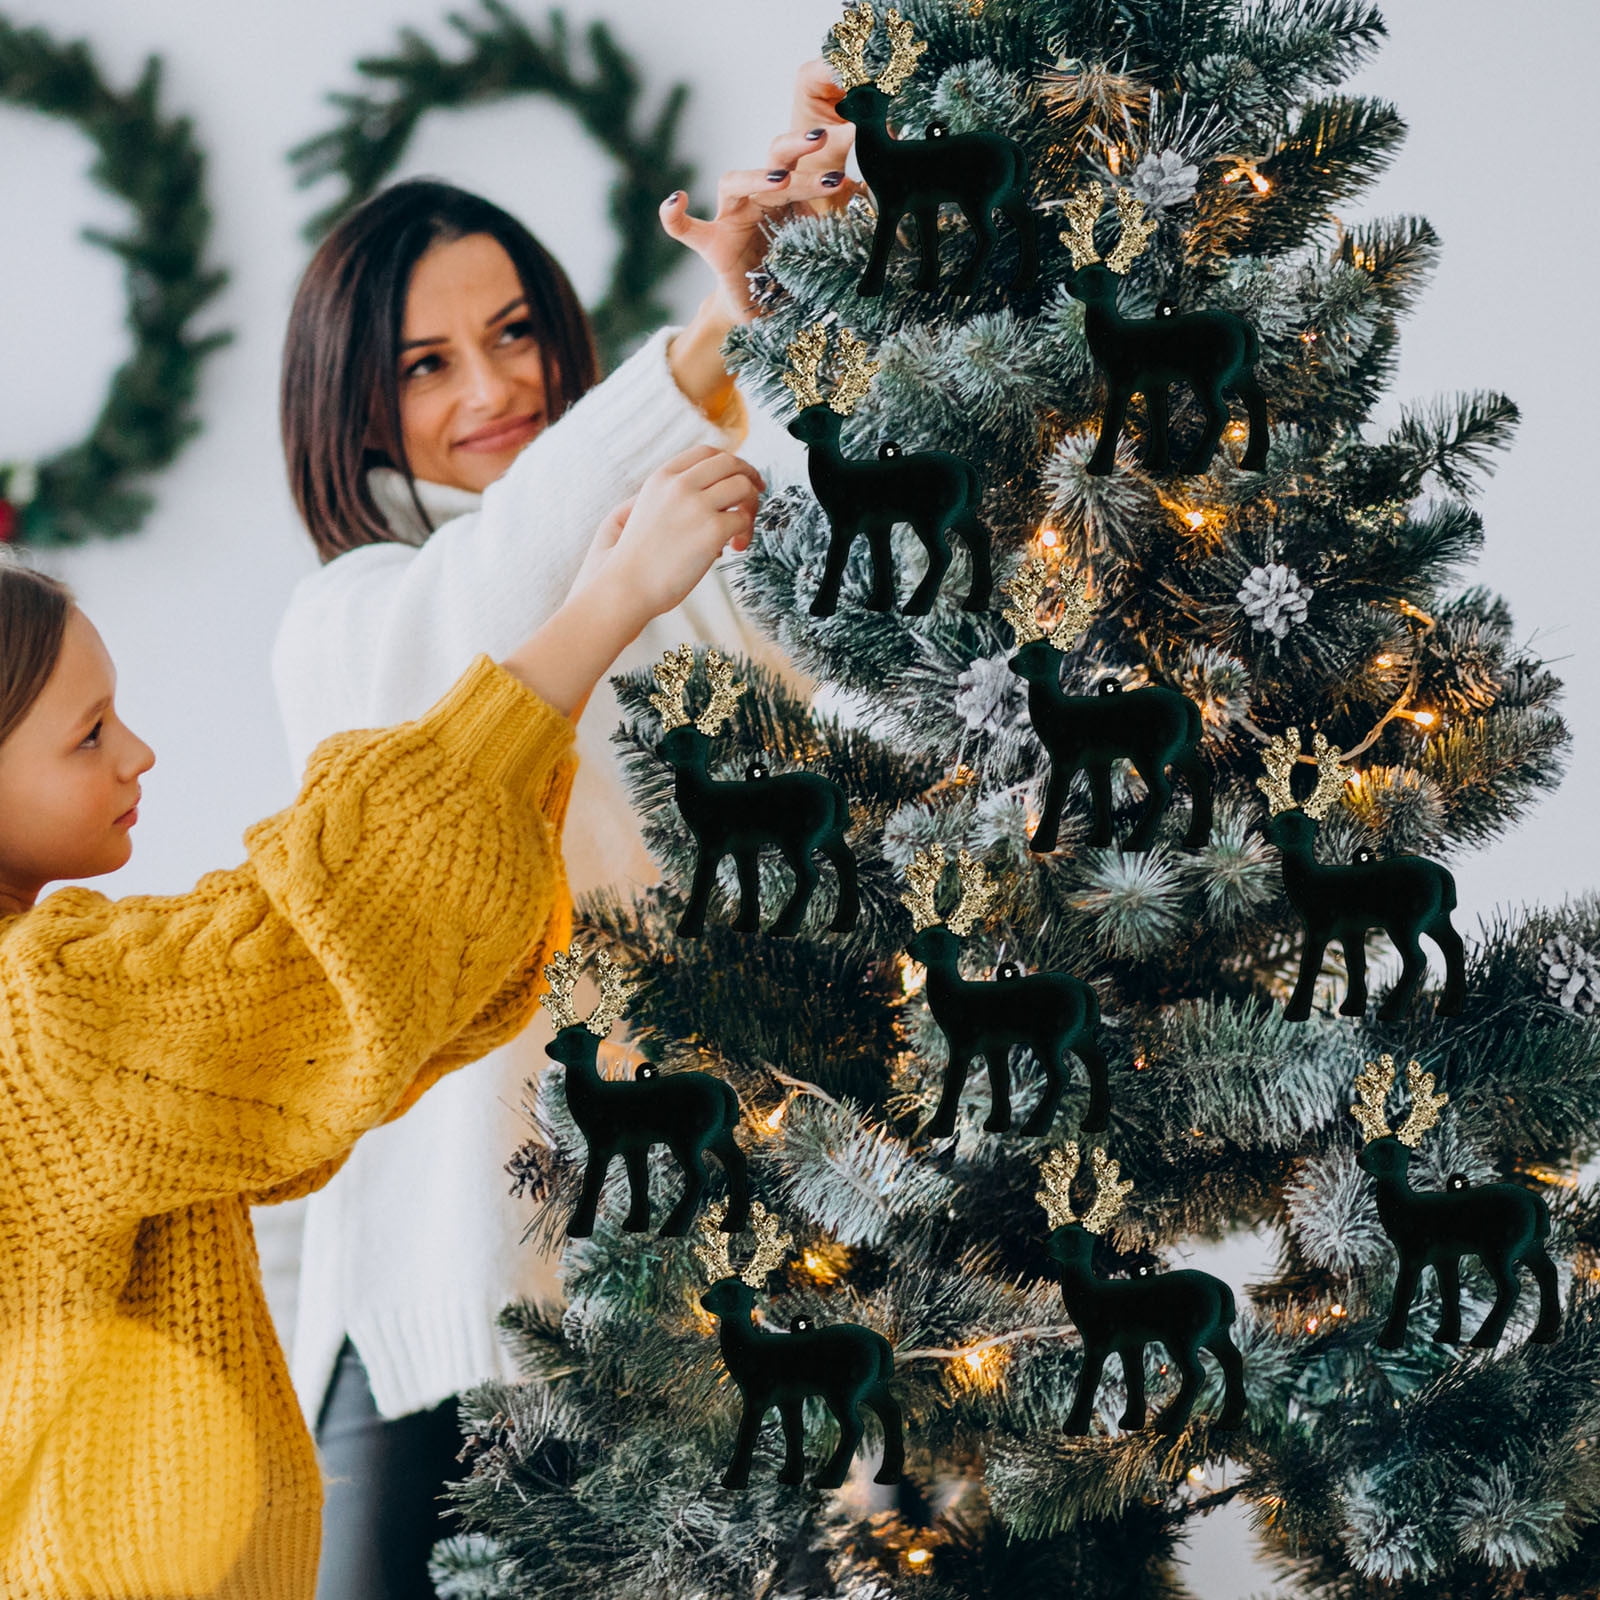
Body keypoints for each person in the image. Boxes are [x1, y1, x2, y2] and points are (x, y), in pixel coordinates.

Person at [270, 61, 858, 1599]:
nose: (493, 390)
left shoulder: (679, 564)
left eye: (516, 331)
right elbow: (501, 601)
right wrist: (717, 335)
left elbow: (857, 702)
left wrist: (843, 294)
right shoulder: (352, 621)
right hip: (445, 1330)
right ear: (347, 401)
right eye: (426, 364)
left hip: (692, 1298)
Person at [0, 423, 760, 1599]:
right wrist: (606, 603)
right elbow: (334, 929)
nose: (138, 752)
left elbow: (340, 1006)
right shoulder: (42, 1012)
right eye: (88, 732)